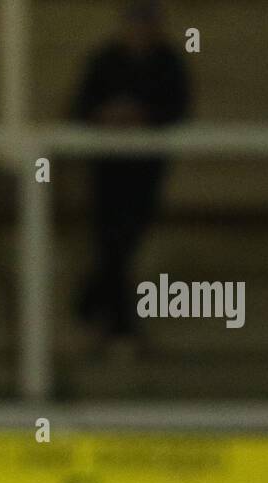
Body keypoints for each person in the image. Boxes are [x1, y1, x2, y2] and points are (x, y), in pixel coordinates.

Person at [72, 0, 190, 356]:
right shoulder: (105, 59)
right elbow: (79, 107)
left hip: (145, 172)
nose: (139, 30)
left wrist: (144, 116)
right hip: (108, 170)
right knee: (113, 245)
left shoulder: (168, 62)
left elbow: (178, 108)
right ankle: (118, 327)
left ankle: (92, 308)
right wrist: (106, 115)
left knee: (120, 245)